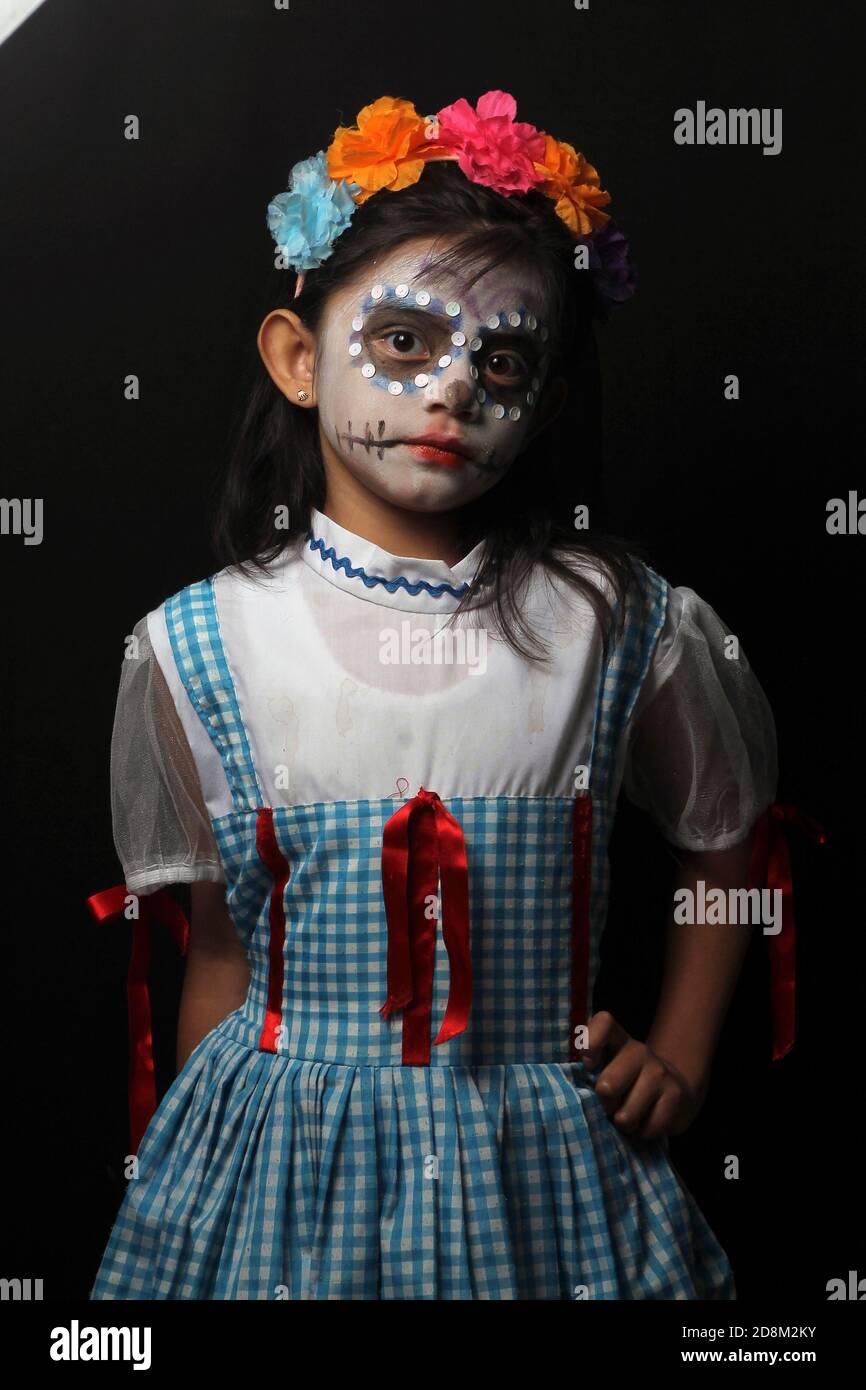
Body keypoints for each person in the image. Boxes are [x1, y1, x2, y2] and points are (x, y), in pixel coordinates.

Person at [88, 91, 793, 1300]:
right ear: (299, 359)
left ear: (544, 406)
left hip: (544, 1165)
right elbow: (215, 940)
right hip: (277, 1162)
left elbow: (728, 849)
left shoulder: (616, 621)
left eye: (502, 358)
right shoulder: (202, 643)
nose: (453, 386)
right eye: (406, 341)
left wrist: (676, 1058)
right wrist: (187, 1174)